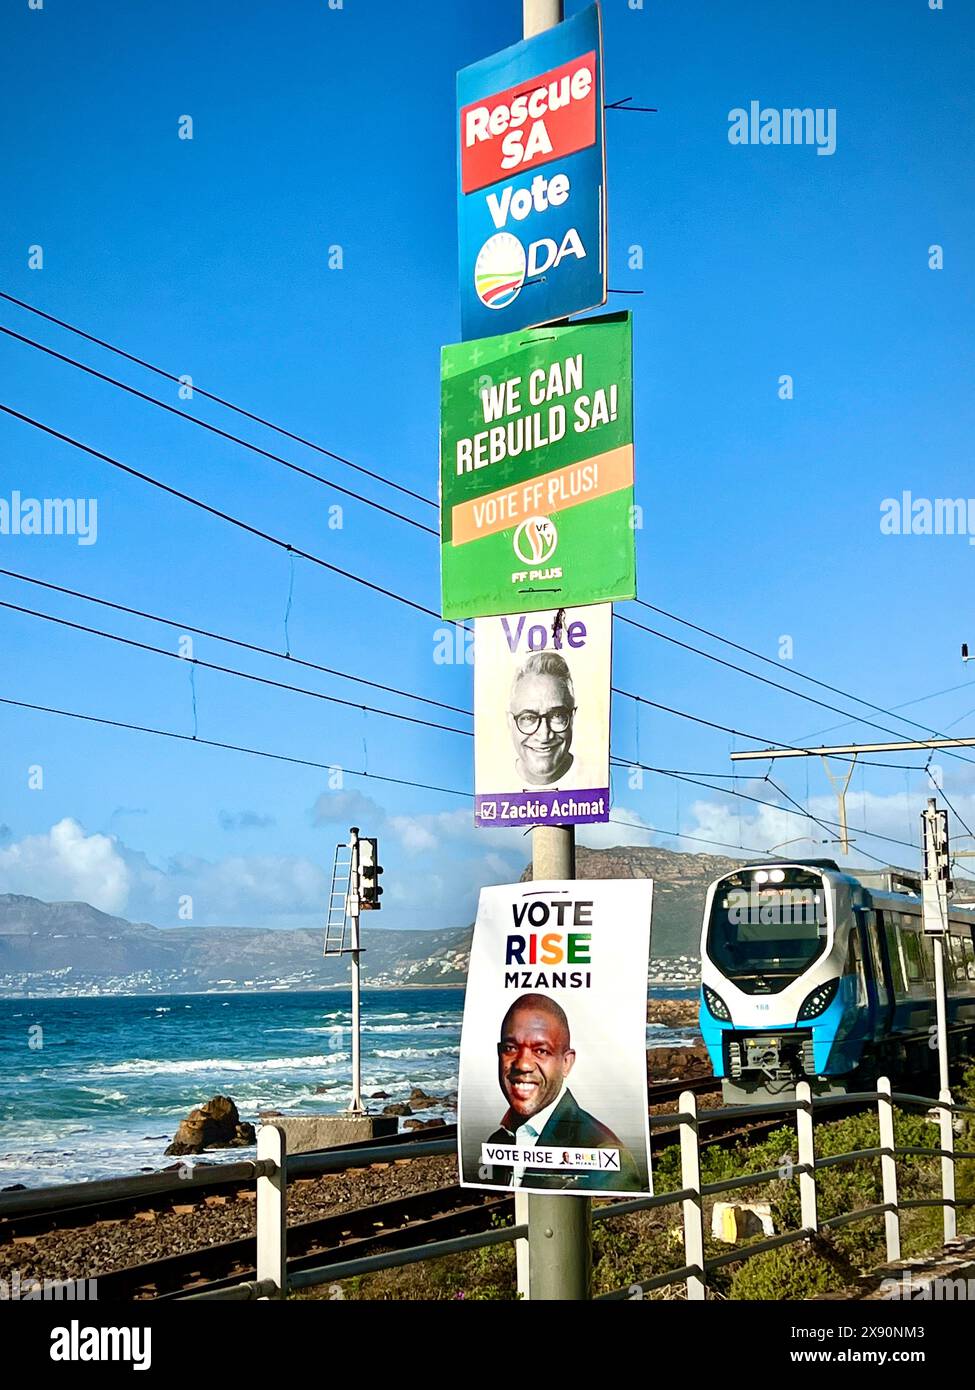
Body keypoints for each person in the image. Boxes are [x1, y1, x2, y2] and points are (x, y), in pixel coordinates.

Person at [482, 993, 642, 1191]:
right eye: (510, 1048)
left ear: (566, 1063)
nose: (523, 1064)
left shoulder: (607, 1157)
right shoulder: (499, 1141)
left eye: (541, 1051)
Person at [507, 651, 576, 787]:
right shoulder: (493, 784)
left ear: (572, 718)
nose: (544, 735)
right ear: (509, 722)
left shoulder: (595, 778)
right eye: (528, 717)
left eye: (557, 715)